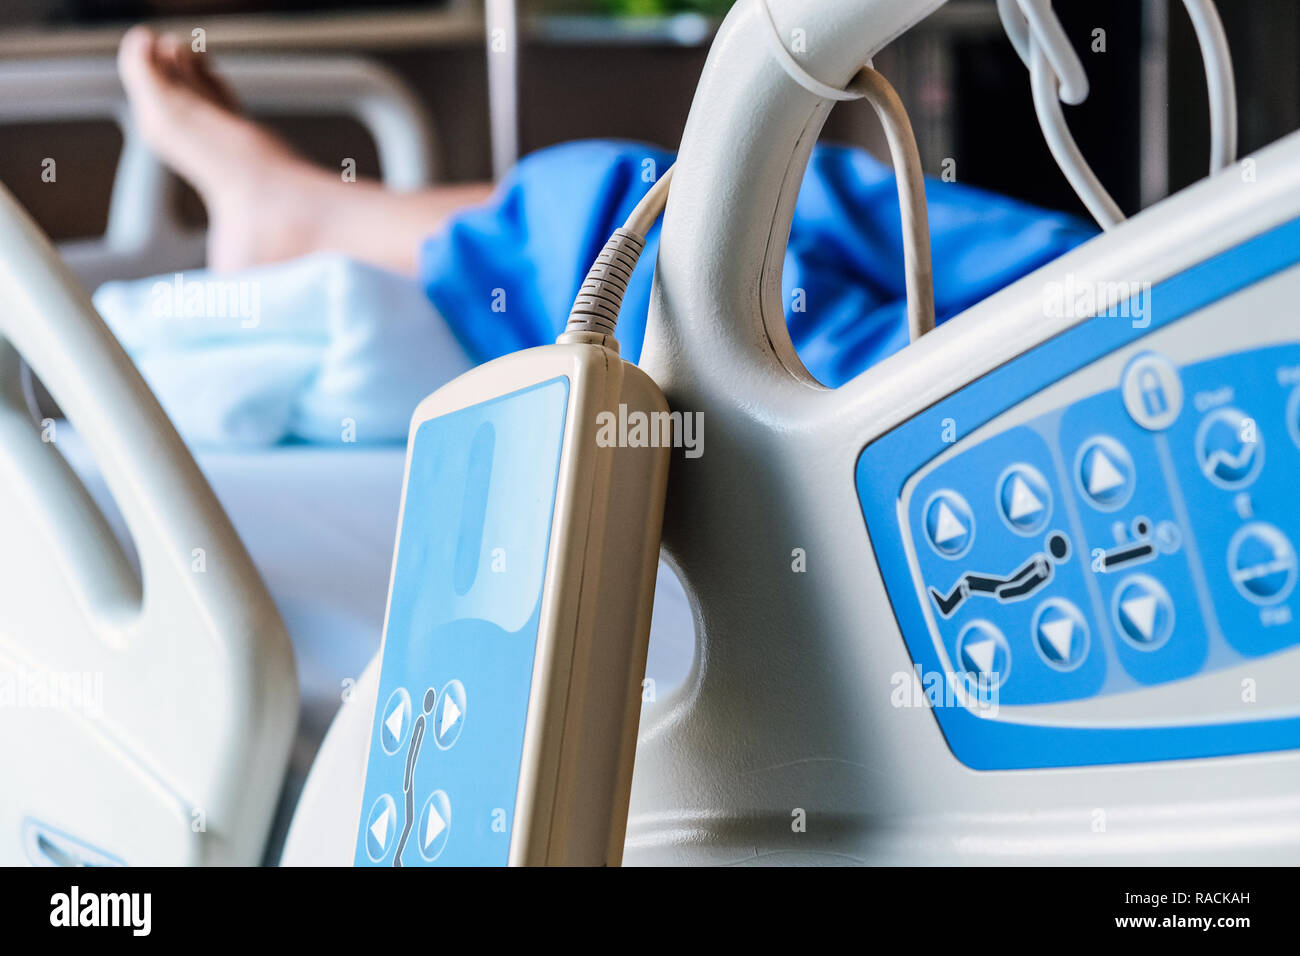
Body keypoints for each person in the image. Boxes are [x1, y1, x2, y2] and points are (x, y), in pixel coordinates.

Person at [116, 26, 1095, 386]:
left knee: (678, 256)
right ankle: (298, 212)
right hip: (1109, 277)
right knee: (813, 202)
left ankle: (300, 215)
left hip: (1033, 372)